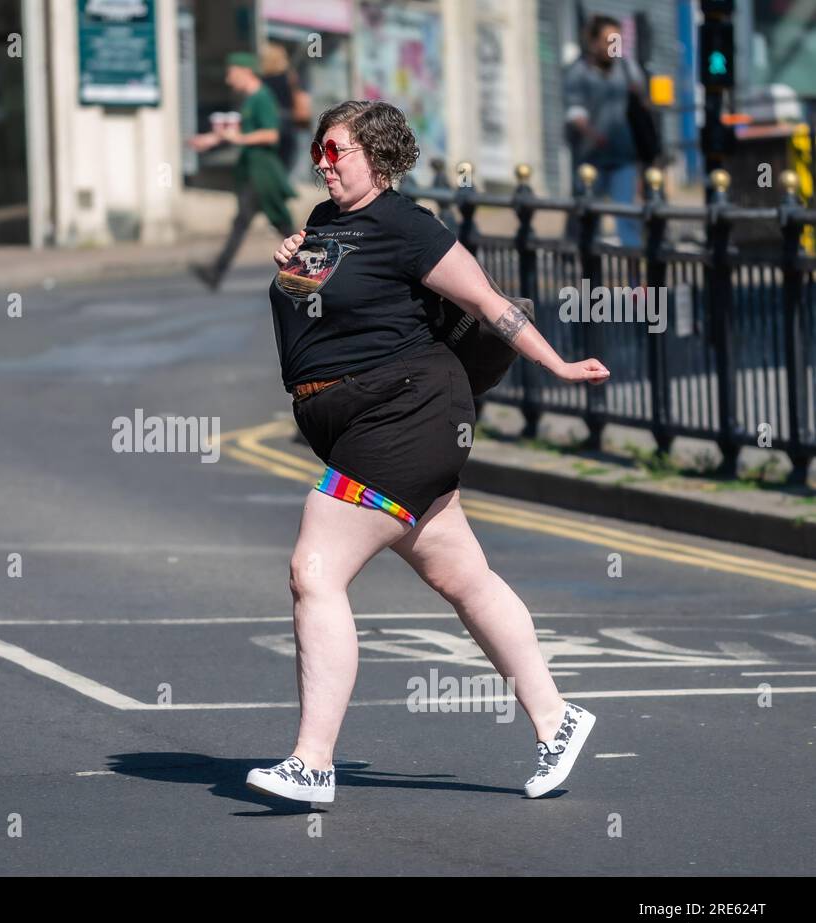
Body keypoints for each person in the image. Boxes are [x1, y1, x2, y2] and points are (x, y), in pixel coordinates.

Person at [248, 99, 611, 805]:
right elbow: (308, 313)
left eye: (337, 151)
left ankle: (312, 761)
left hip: (405, 410)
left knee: (313, 570)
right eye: (319, 151)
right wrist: (291, 262)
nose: (323, 163)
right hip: (355, 420)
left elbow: (490, 305)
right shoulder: (327, 225)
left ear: (377, 157)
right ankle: (557, 719)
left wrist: (561, 367)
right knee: (463, 576)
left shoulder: (408, 227)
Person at [187, 51, 296, 291]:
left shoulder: (262, 98)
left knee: (282, 224)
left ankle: (318, 265)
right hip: (252, 172)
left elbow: (271, 134)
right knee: (252, 223)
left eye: (231, 73)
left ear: (245, 72)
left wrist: (240, 138)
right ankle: (215, 272)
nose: (228, 80)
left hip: (263, 174)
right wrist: (210, 140)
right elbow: (235, 132)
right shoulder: (248, 100)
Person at [563, 14, 647, 248]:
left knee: (627, 216)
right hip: (591, 159)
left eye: (618, 41)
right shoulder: (578, 73)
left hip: (623, 156)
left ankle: (634, 277)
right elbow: (574, 112)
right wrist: (592, 134)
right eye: (609, 41)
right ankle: (582, 266)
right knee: (587, 216)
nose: (615, 47)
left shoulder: (628, 68)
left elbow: (642, 101)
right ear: (594, 43)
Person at [260, 41, 310, 174]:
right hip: (288, 121)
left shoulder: (262, 81)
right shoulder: (289, 77)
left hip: (269, 122)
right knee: (287, 160)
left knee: (272, 160)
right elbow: (299, 97)